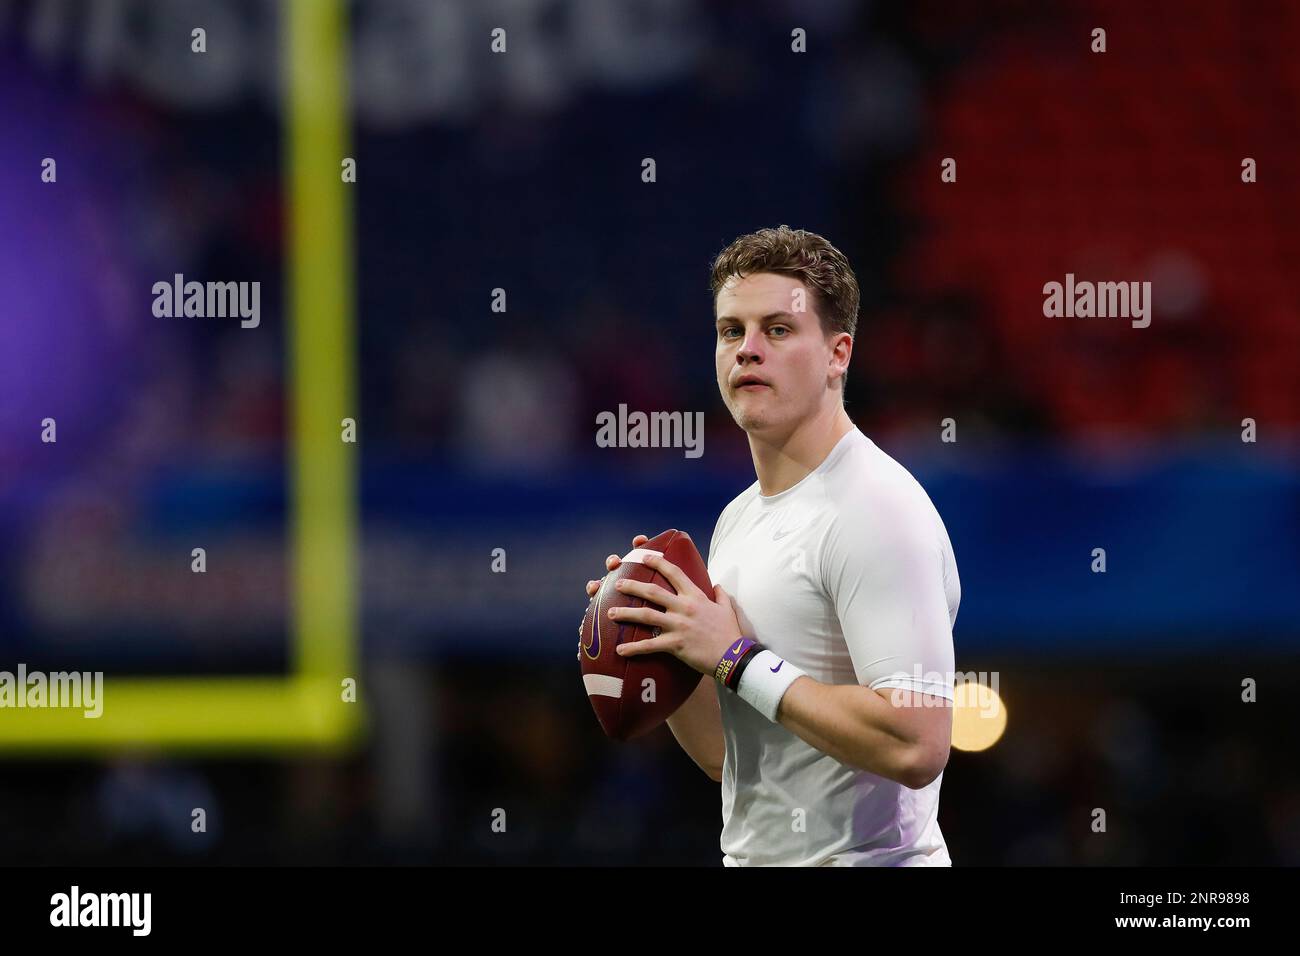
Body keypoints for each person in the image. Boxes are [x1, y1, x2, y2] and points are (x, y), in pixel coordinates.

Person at [584, 225, 960, 866]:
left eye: (777, 330)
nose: (747, 350)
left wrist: (732, 656)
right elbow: (728, 758)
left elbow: (917, 744)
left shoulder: (877, 508)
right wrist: (664, 633)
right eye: (731, 331)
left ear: (839, 354)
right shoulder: (737, 519)